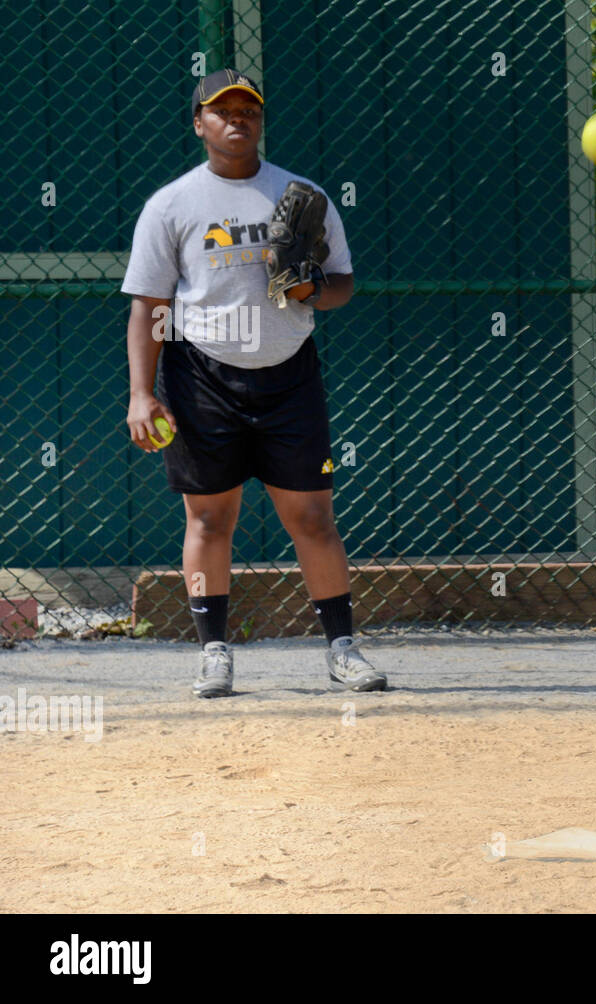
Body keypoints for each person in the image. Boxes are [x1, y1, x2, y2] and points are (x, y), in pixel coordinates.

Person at [122, 69, 385, 698]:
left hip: (288, 374)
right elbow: (149, 305)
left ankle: (342, 649)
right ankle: (215, 652)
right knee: (210, 520)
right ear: (199, 124)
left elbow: (344, 284)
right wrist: (141, 391)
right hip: (202, 376)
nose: (237, 118)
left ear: (260, 121)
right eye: (222, 110)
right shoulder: (172, 205)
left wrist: (310, 289)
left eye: (249, 109)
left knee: (314, 517)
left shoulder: (300, 194)